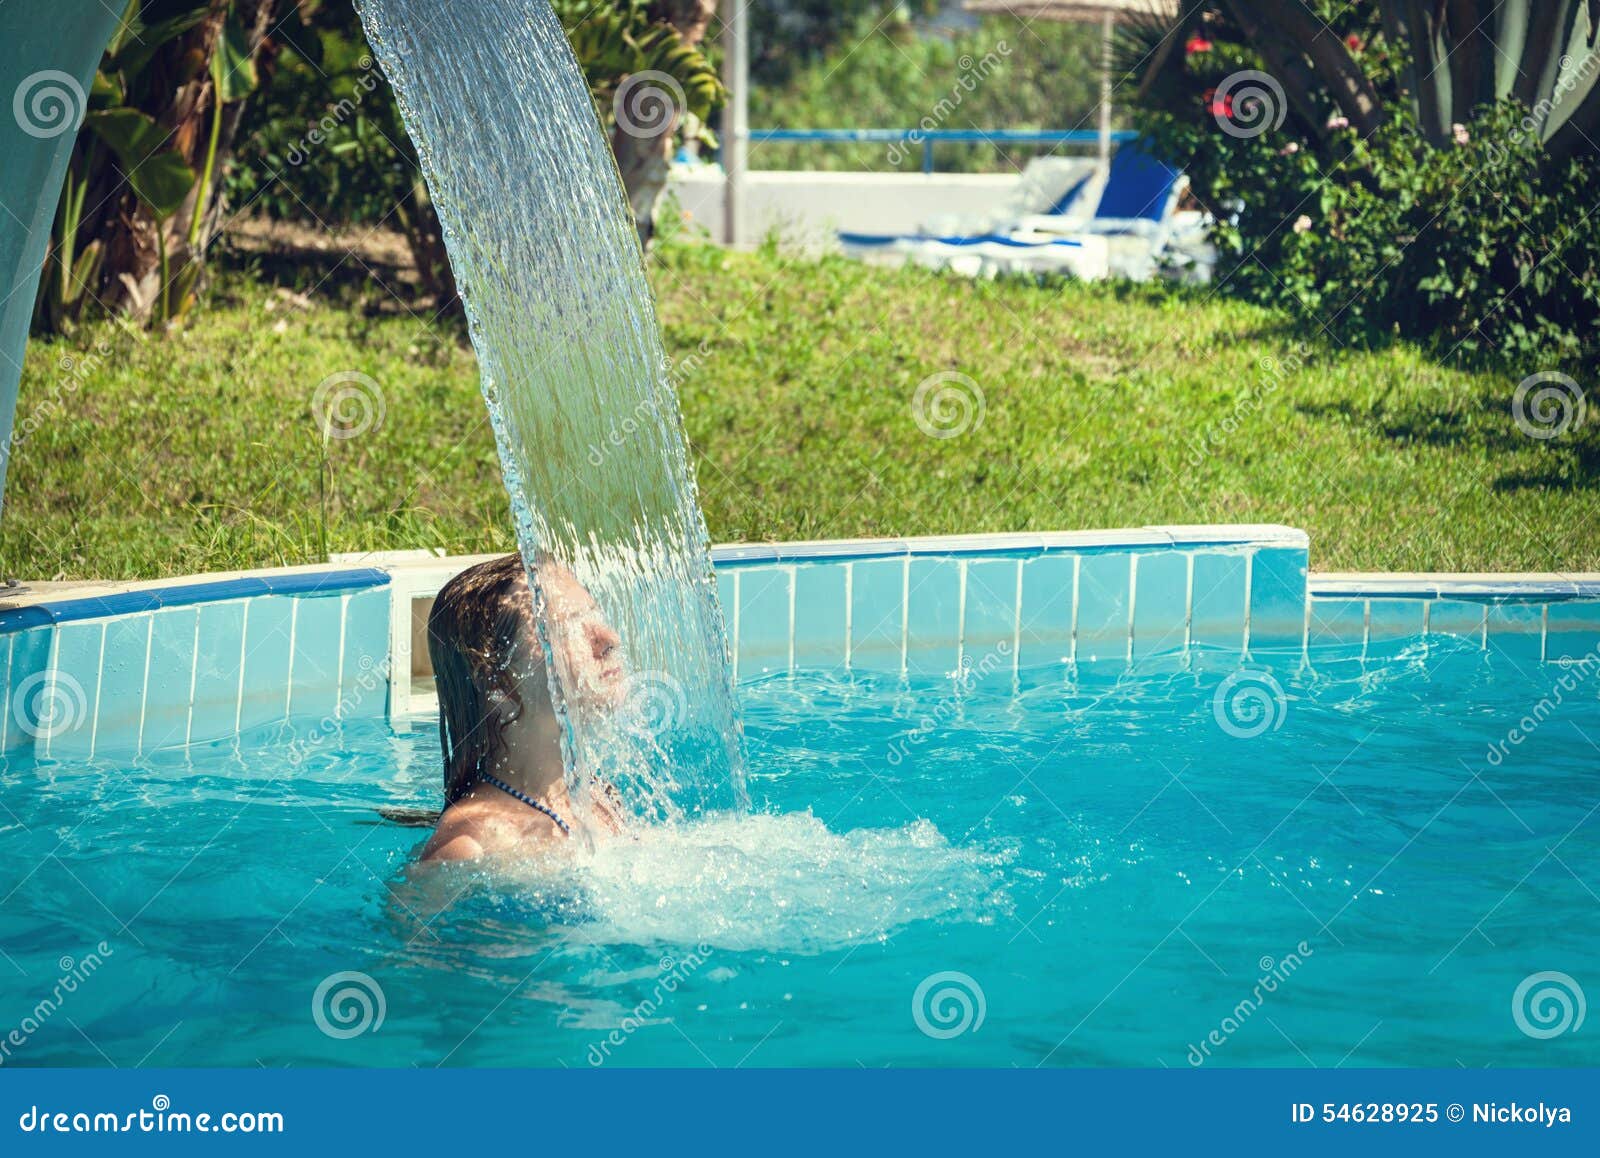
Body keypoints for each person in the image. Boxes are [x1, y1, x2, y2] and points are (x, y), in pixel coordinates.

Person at [420, 552, 626, 862]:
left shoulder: (597, 796)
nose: (610, 639)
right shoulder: (471, 845)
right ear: (497, 685)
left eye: (595, 617)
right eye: (566, 628)